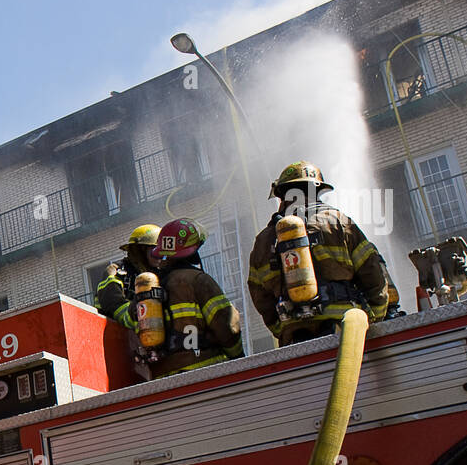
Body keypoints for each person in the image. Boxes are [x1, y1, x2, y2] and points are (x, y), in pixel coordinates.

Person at [248, 161, 391, 345]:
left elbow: (260, 297)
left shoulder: (263, 240)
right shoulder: (338, 222)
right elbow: (372, 273)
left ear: (282, 197)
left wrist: (283, 328)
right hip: (343, 330)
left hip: (294, 338)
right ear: (317, 192)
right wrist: (374, 317)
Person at [105, 218, 243, 379]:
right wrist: (238, 358)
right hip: (205, 371)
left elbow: (128, 319)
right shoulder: (198, 281)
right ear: (192, 251)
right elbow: (227, 325)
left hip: (162, 377)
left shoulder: (148, 289)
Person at [96, 223, 160, 329]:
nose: (160, 256)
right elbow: (114, 305)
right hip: (117, 334)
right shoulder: (116, 271)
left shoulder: (156, 276)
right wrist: (138, 321)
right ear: (141, 251)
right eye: (155, 251)